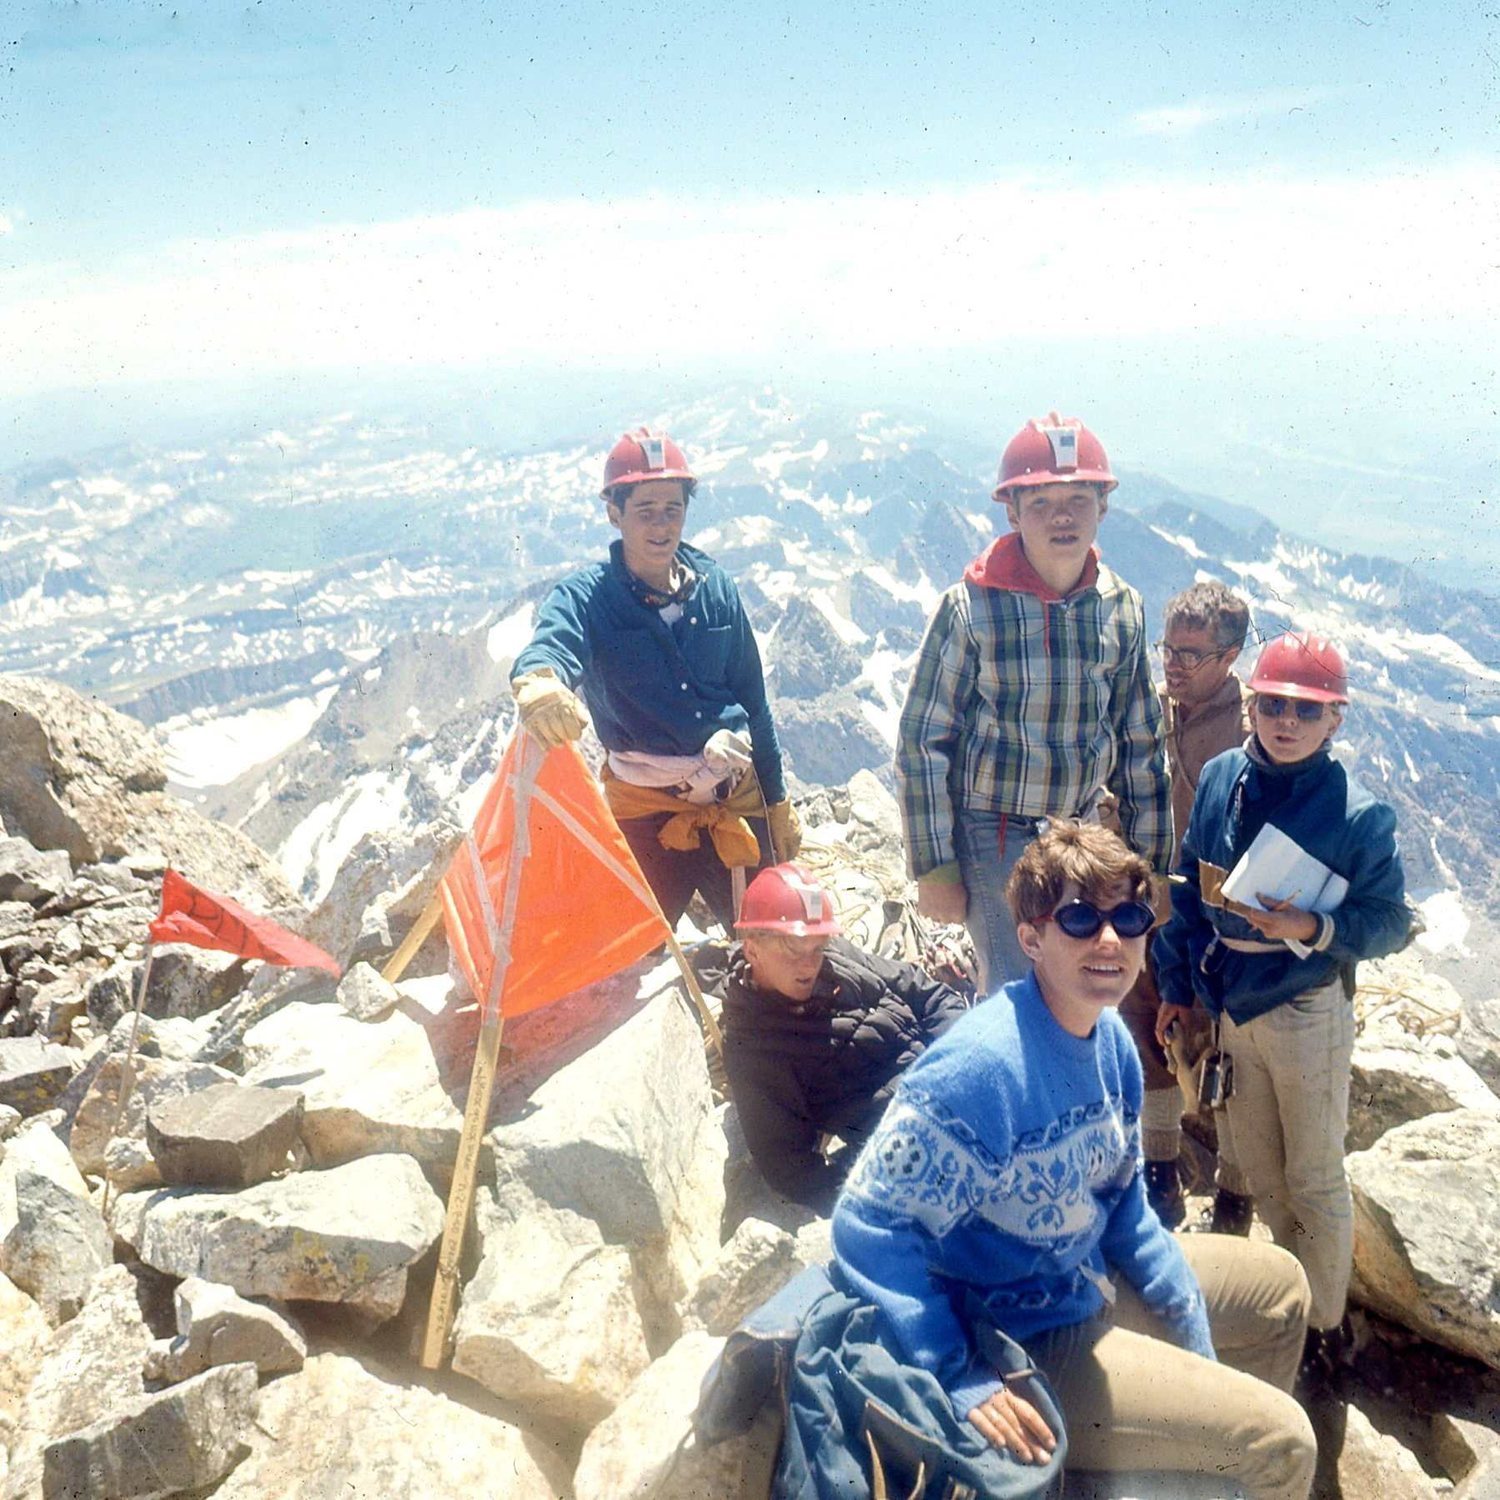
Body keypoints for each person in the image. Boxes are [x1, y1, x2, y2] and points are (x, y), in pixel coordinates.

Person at [831, 821, 1317, 1499]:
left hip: (1084, 1277)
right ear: (1031, 938)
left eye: (1128, 916)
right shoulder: (982, 1067)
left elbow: (1120, 1203)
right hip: (1022, 1335)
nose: (1109, 939)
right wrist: (954, 1369)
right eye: (1081, 919)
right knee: (1283, 1441)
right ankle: (1210, 1462)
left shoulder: (1111, 1041)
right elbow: (868, 1225)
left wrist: (1179, 1306)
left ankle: (1203, 1470)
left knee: (1282, 1291)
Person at [1154, 631, 1409, 1385]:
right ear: (1252, 707)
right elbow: (1184, 887)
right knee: (1262, 1170)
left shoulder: (1359, 817)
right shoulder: (1222, 778)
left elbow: (1389, 922)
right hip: (1234, 1000)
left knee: (1315, 1179)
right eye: (1272, 703)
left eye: (1306, 708)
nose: (1285, 720)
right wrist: (1176, 986)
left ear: (1335, 722)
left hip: (1305, 1007)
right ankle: (1291, 1304)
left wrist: (1315, 929)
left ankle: (1324, 1332)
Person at [895, 413, 1171, 993]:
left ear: (1104, 506)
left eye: (1078, 498)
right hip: (993, 832)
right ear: (1013, 512)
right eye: (1041, 502)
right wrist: (936, 867)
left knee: (1082, 980)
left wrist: (1150, 866)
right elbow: (923, 741)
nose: (1062, 516)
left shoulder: (1120, 608)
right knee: (1019, 986)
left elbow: (1141, 747)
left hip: (1082, 833)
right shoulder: (970, 607)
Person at [510, 427, 800, 930]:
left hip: (733, 796)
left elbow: (754, 703)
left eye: (673, 508)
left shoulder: (716, 590)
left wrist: (777, 801)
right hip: (644, 814)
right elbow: (552, 641)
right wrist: (541, 680)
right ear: (613, 513)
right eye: (645, 510)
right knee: (631, 951)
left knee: (767, 942)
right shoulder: (588, 597)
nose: (662, 525)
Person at [1117, 579, 1256, 1232]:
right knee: (1150, 1032)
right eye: (1167, 649)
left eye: (1191, 654)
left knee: (1220, 1056)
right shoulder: (1152, 710)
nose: (1172, 663)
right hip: (1149, 904)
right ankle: (1161, 1169)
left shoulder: (1255, 728)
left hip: (1216, 922)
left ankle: (1236, 1191)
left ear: (1230, 657)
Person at [722, 863, 969, 1215]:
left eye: (817, 948)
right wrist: (879, 1193)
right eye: (793, 949)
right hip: (914, 1145)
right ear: (752, 949)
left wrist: (962, 1061)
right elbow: (793, 1173)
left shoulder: (837, 958)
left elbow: (930, 996)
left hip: (958, 1081)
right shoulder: (754, 1048)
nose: (809, 964)